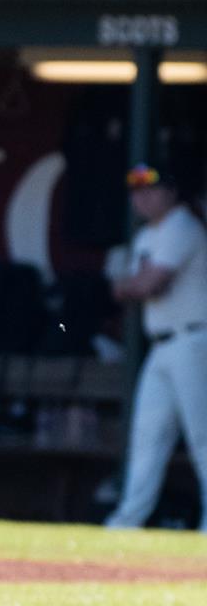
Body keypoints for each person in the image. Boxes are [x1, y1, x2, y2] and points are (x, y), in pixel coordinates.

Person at [105, 162, 207, 530]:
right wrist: (131, 283)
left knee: (202, 437)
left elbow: (150, 285)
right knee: (147, 435)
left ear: (171, 192)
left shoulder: (182, 224)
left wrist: (128, 282)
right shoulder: (148, 235)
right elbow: (130, 287)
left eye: (151, 189)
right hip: (162, 345)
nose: (142, 198)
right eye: (136, 191)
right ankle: (126, 522)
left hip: (193, 340)